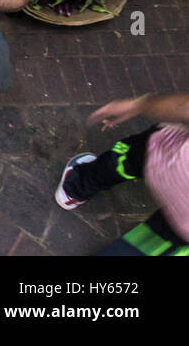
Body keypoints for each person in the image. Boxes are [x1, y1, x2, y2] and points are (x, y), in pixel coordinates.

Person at [56, 92, 189, 256]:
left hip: (173, 164)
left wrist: (140, 104)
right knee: (155, 245)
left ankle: (74, 190)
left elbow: (183, 107)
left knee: (127, 160)